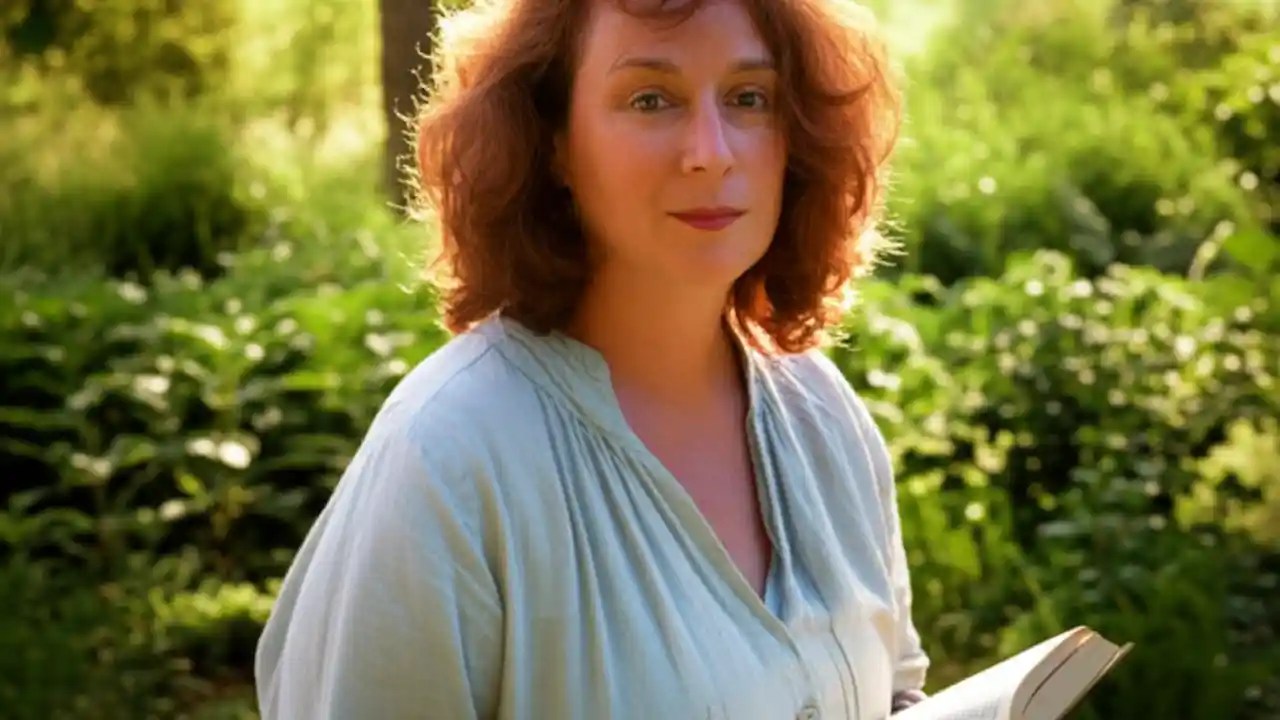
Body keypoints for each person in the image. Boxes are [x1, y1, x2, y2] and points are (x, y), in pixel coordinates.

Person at [254, 0, 930, 717]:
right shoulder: (447, 457)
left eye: (748, 98)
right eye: (650, 99)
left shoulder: (823, 412)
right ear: (552, 144)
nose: (712, 149)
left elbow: (891, 688)